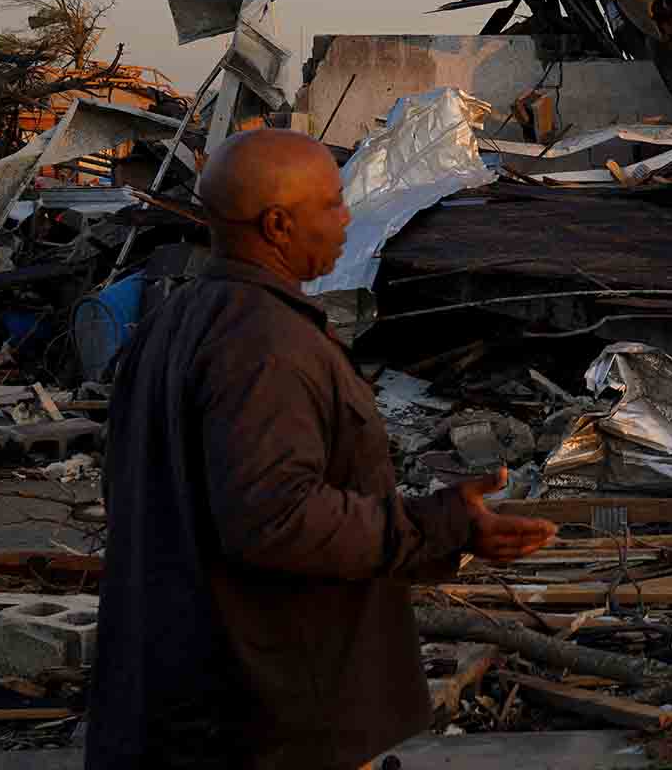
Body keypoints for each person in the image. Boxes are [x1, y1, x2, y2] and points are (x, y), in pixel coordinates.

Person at [88, 129, 556, 769]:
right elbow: (275, 521)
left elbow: (127, 493)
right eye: (333, 204)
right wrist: (443, 525)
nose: (346, 219)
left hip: (185, 692)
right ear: (278, 224)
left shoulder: (176, 320)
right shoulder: (265, 344)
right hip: (268, 715)